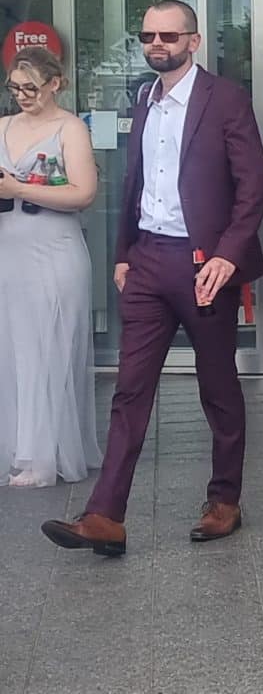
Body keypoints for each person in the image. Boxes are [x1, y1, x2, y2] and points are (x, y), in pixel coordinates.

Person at [42, 0, 263, 557]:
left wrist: (227, 256)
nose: (156, 44)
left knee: (218, 388)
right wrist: (123, 253)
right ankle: (105, 516)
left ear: (193, 41)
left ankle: (224, 501)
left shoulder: (225, 100)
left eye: (168, 35)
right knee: (130, 390)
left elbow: (254, 187)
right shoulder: (144, 98)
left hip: (203, 266)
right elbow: (135, 180)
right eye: (147, 36)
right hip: (147, 263)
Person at [0, 48, 102, 488]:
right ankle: (18, 447)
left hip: (55, 250)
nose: (23, 96)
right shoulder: (2, 126)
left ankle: (45, 454)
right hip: (9, 249)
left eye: (31, 87)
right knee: (14, 349)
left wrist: (19, 187)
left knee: (49, 348)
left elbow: (82, 194)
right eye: (14, 88)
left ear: (55, 83)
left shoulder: (70, 128)